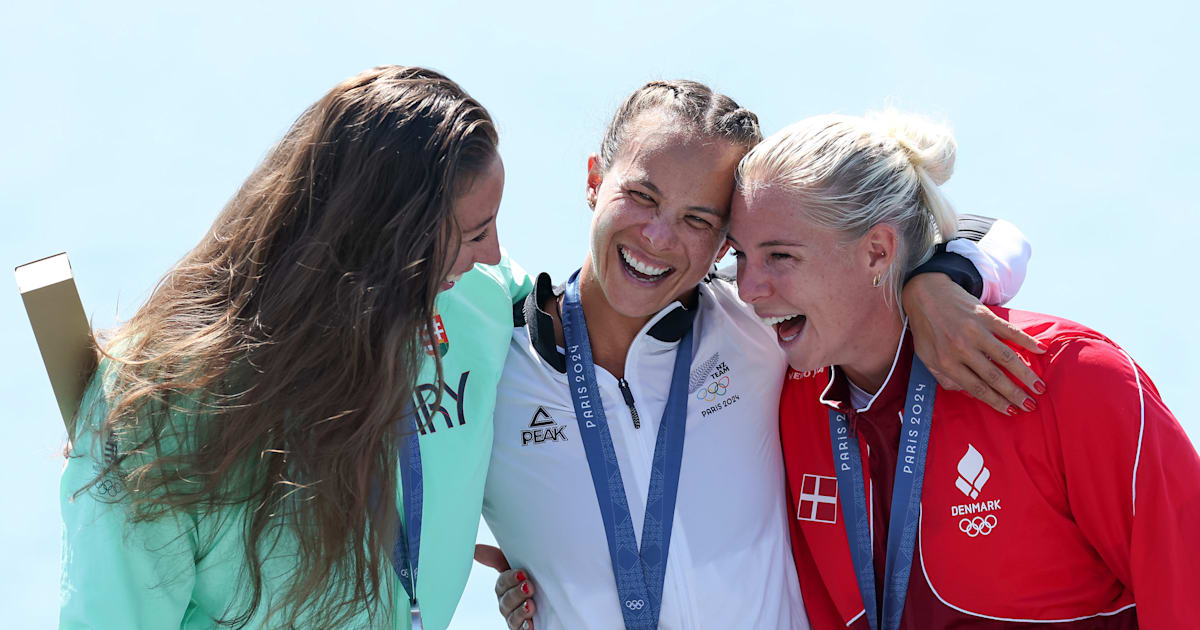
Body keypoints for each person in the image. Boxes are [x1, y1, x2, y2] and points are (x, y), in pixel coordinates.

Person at [478, 82, 1039, 630]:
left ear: (726, 242)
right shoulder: (490, 368)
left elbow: (997, 234)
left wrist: (937, 281)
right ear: (596, 180)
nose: (657, 235)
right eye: (642, 196)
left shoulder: (757, 326)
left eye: (698, 219)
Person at [59, 65, 530, 629]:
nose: (494, 254)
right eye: (475, 234)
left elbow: (593, 340)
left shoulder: (482, 303)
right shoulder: (162, 413)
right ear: (385, 236)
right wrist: (113, 436)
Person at [731, 111, 1200, 629]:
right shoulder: (780, 397)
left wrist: (943, 276)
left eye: (779, 256)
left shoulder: (1069, 376)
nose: (749, 290)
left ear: (877, 251)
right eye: (739, 257)